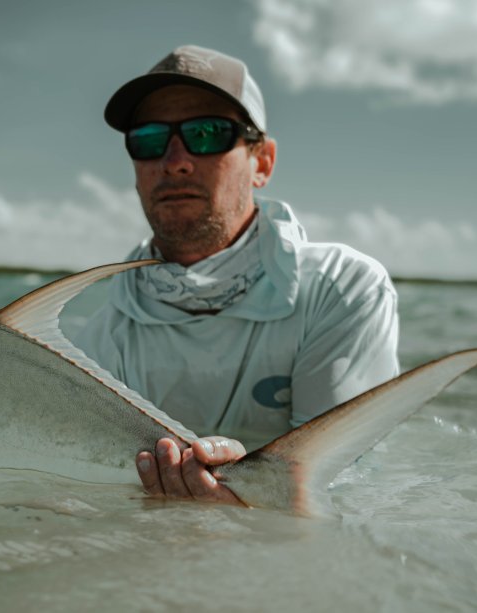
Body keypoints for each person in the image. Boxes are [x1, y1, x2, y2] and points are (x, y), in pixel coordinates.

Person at [72, 45, 399, 505]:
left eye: (207, 134)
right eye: (148, 139)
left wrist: (251, 493)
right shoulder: (100, 340)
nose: (175, 161)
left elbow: (350, 488)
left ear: (262, 162)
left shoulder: (340, 289)